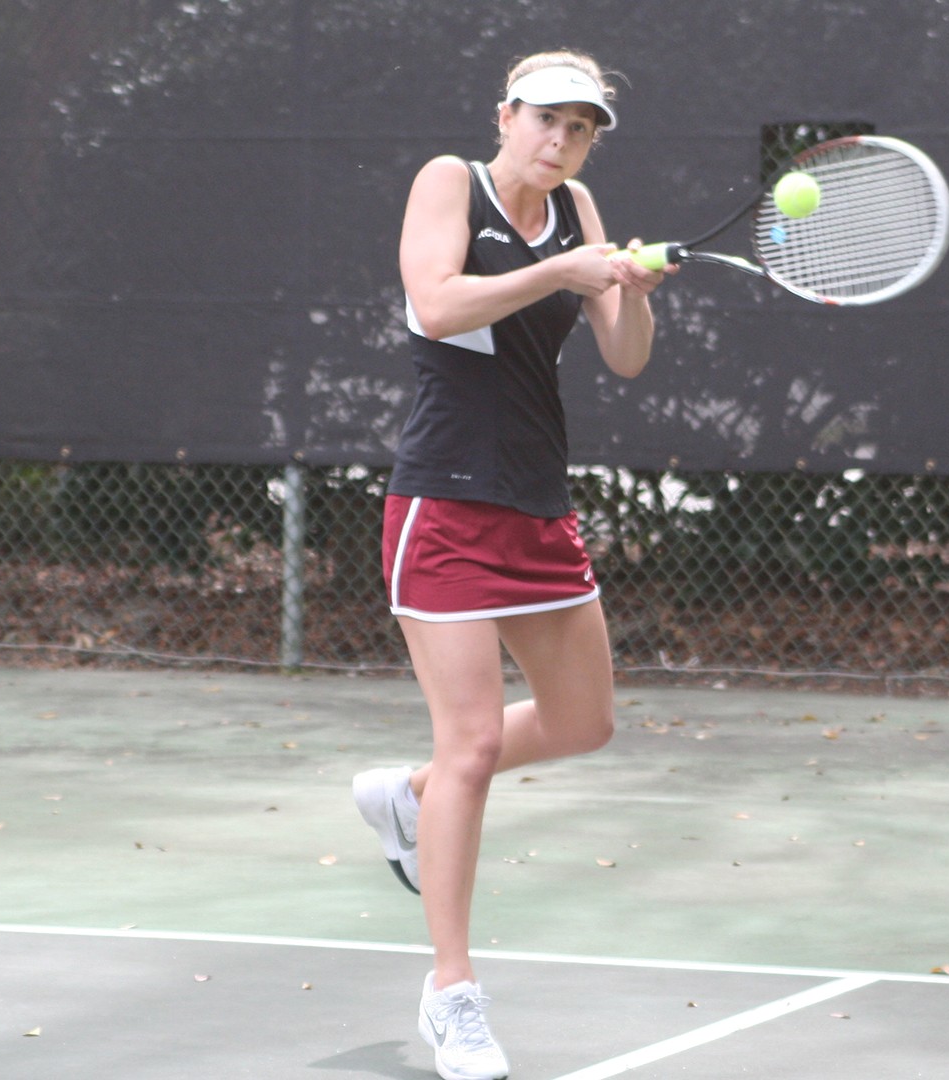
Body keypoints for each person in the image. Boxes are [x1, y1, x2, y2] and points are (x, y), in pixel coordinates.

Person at [351, 49, 669, 1080]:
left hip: (536, 504)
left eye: (580, 128)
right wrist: (561, 272)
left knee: (586, 722)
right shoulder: (452, 182)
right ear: (507, 115)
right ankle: (454, 993)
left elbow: (624, 357)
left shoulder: (578, 209)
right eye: (547, 120)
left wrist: (629, 285)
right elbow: (437, 305)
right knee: (476, 746)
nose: (561, 141)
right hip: (443, 499)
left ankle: (410, 793)